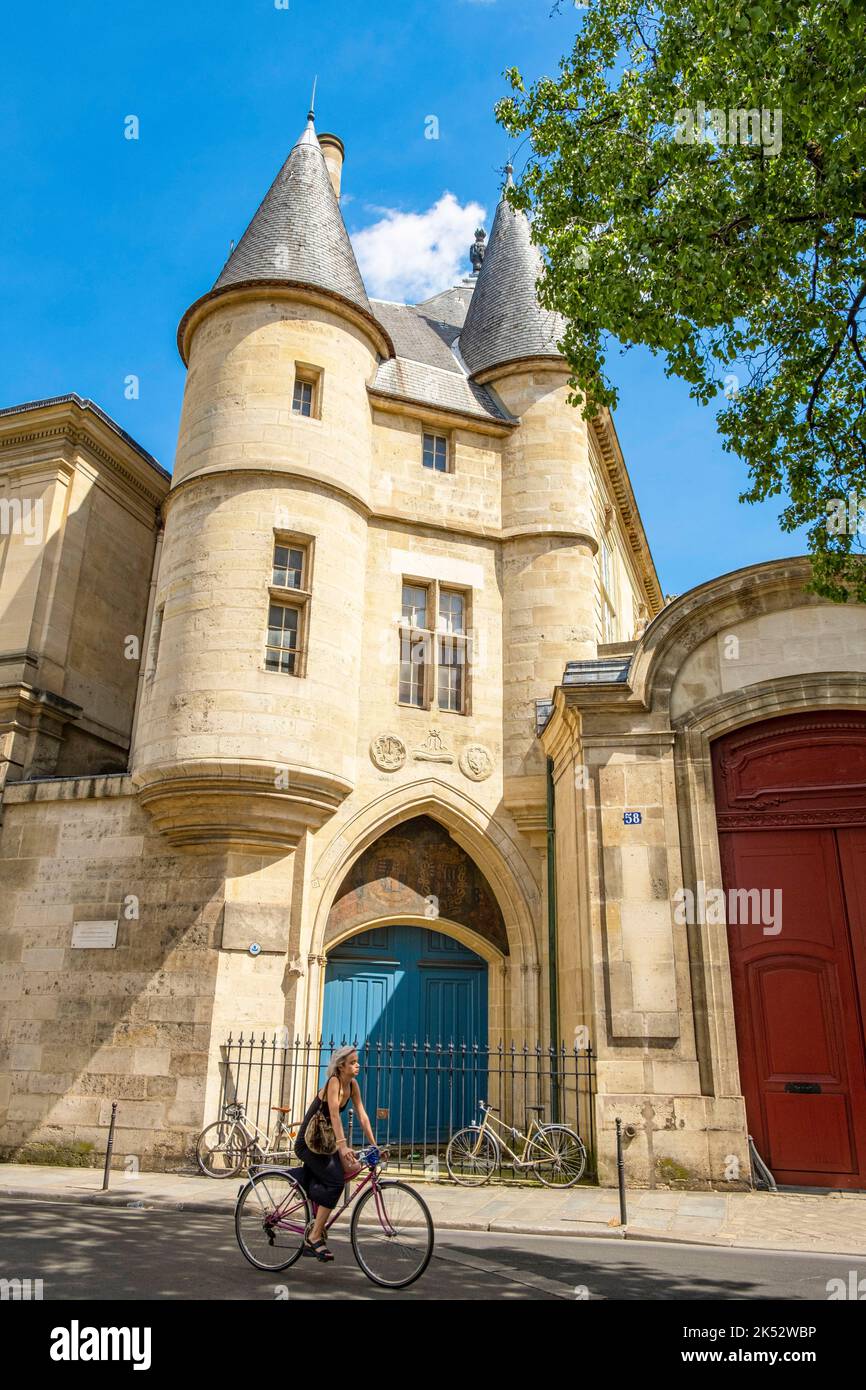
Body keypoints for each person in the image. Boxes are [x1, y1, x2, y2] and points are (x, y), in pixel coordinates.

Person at [293, 1044, 377, 1261]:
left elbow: (363, 1116)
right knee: (337, 1181)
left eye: (357, 1062)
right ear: (341, 1066)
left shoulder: (353, 1085)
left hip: (326, 1143)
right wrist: (343, 1146)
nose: (357, 1065)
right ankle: (314, 1237)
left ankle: (311, 1194)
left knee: (353, 1167)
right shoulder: (334, 1082)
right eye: (353, 1062)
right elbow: (334, 1115)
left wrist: (375, 1145)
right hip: (309, 1143)